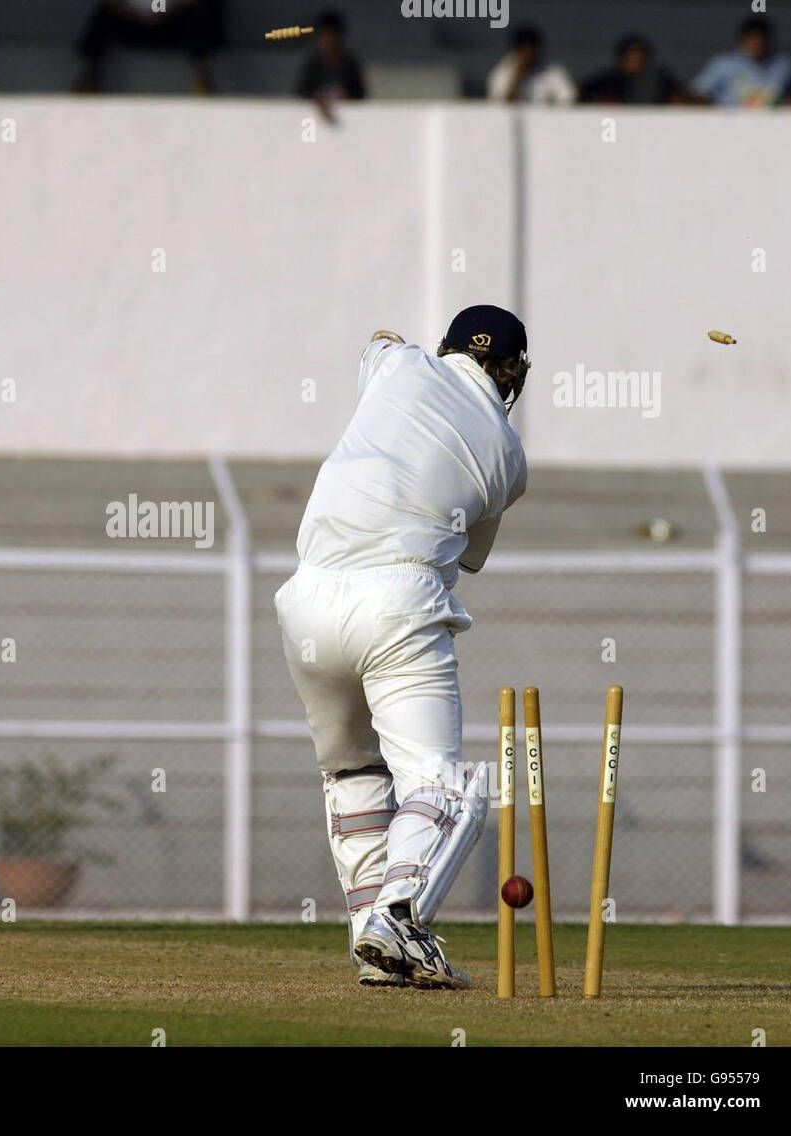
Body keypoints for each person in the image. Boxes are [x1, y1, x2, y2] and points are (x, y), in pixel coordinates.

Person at [275, 306, 529, 989]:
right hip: (399, 602)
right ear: (511, 374)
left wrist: (404, 357)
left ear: (445, 347)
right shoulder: (508, 455)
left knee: (355, 773)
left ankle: (375, 946)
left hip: (305, 600)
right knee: (444, 787)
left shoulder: (397, 363)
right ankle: (397, 921)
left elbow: (379, 338)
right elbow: (470, 558)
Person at [72, 0, 225, 95]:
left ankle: (203, 81)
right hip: (133, 21)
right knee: (103, 17)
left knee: (201, 15)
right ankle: (88, 79)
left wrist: (161, 10)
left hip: (173, 23)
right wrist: (133, 12)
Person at [691, 16, 791, 109]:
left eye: (761, 39)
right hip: (730, 126)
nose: (757, 44)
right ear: (743, 41)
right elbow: (698, 94)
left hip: (772, 127)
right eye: (753, 39)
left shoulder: (784, 65)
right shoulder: (724, 64)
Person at [295, 9, 366, 117]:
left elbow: (360, 95)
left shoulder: (350, 65)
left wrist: (344, 97)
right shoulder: (314, 65)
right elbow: (302, 93)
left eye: (332, 34)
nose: (329, 39)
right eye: (325, 34)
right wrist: (319, 98)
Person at [580, 35, 687, 105]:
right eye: (630, 58)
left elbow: (680, 96)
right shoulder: (607, 80)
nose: (634, 63)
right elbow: (582, 94)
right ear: (621, 59)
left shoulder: (660, 81)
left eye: (639, 59)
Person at [487, 25, 576, 105]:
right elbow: (501, 107)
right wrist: (517, 78)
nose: (528, 55)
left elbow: (569, 99)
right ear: (516, 50)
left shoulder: (552, 70)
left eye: (532, 50)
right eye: (524, 50)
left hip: (546, 120)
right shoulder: (502, 73)